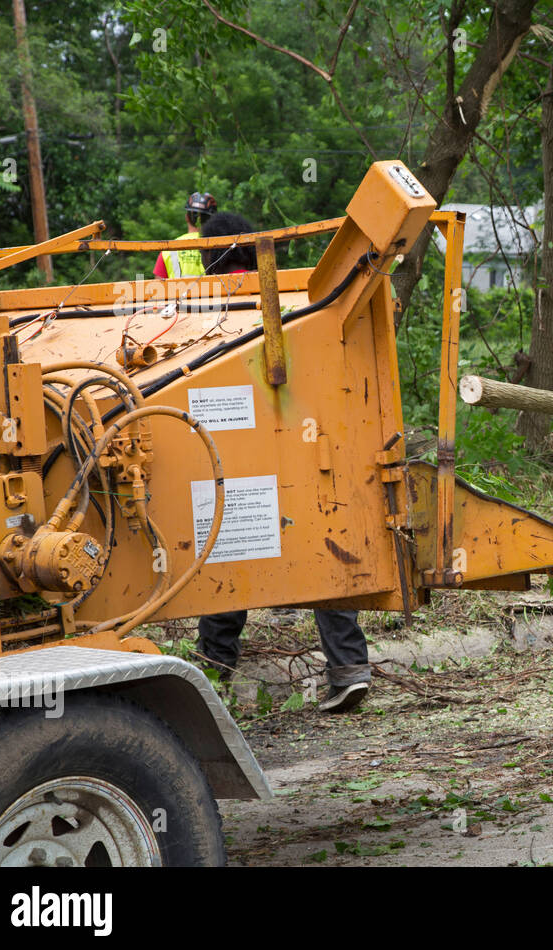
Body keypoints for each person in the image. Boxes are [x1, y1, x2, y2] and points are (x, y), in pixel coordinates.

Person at [193, 211, 373, 714]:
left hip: (229, 454)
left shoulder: (204, 306)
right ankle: (349, 669)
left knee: (228, 552)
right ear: (258, 253)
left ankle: (214, 676)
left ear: (213, 254)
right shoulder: (297, 298)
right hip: (301, 447)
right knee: (323, 549)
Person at [154, 192, 216, 279]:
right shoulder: (219, 247)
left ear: (186, 217)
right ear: (212, 219)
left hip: (178, 292)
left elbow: (158, 287)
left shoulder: (169, 249)